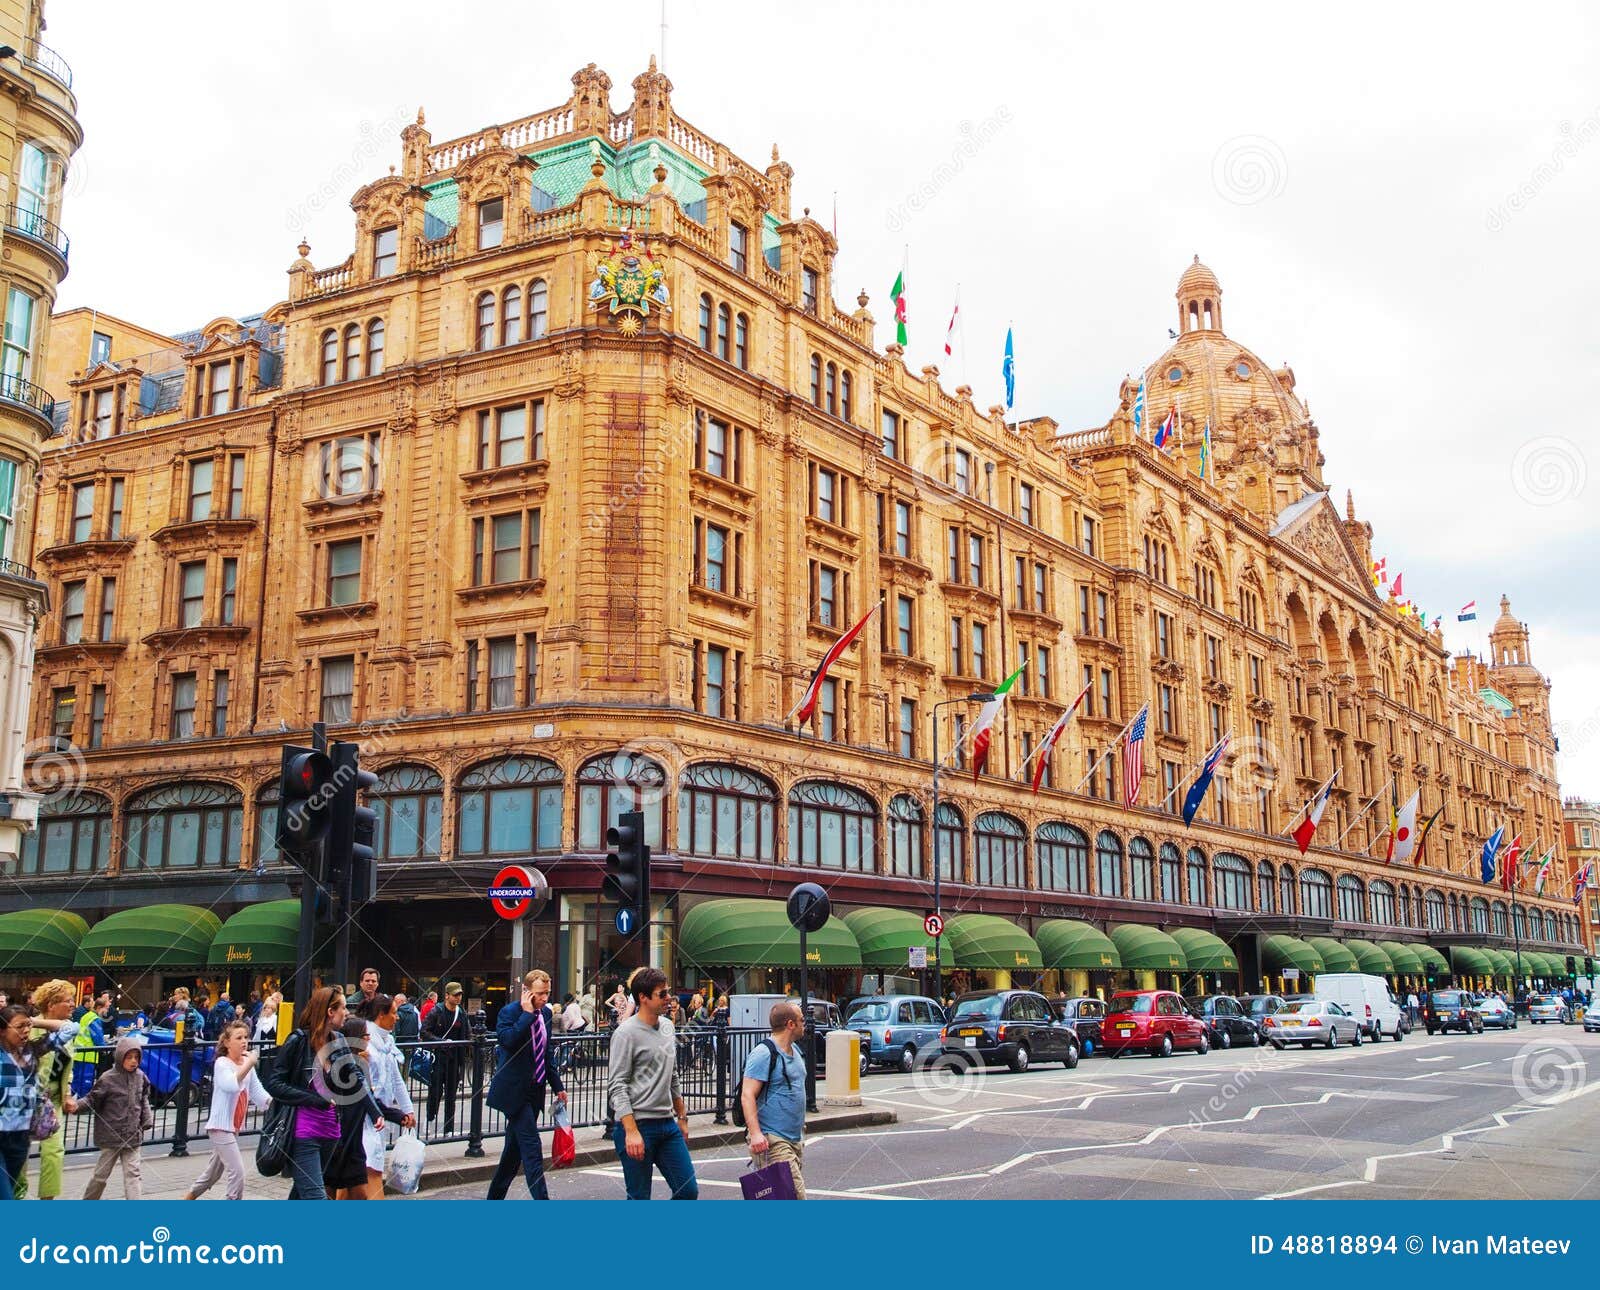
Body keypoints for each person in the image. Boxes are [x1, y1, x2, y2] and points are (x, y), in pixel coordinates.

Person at [606, 967, 696, 1200]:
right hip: (638, 1124)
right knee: (639, 1197)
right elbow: (617, 1085)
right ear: (643, 997)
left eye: (668, 992)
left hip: (667, 1124)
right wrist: (631, 1131)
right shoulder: (625, 1033)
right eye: (662, 994)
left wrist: (682, 1117)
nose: (669, 998)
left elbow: (672, 1075)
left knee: (688, 1191)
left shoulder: (667, 1026)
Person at [486, 969, 567, 1200]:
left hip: (535, 1090)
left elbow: (546, 1053)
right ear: (526, 992)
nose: (544, 998)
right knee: (532, 1147)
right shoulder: (510, 1012)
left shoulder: (547, 1013)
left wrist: (558, 1086)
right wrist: (527, 1014)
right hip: (514, 1091)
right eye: (539, 993)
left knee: (512, 1154)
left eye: (547, 993)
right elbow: (507, 1040)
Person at [262, 986, 346, 1200]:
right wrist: (314, 1099)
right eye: (343, 1008)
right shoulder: (298, 1040)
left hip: (330, 1131)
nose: (346, 1013)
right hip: (303, 1131)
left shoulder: (338, 1041)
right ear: (330, 1012)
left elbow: (352, 1080)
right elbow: (274, 1083)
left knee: (302, 1194)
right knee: (316, 1198)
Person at [185, 1020, 270, 1200]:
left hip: (233, 1126)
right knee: (237, 1172)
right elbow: (231, 1085)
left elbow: (257, 1091)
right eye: (238, 1038)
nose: (244, 1041)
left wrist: (274, 1103)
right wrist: (250, 1063)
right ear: (226, 1042)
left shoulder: (246, 1063)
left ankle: (186, 1200)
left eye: (246, 1037)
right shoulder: (222, 1063)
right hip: (220, 1127)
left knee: (212, 1174)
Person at [13, 981, 82, 1200]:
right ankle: (16, 1197)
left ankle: (47, 1202)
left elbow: (68, 1066)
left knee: (54, 1152)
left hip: (53, 1100)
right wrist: (32, 1022)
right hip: (26, 1100)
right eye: (68, 1000)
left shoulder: (67, 1028)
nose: (73, 1004)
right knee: (19, 1154)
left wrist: (67, 1093)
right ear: (51, 1004)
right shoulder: (29, 1029)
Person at [741, 1002, 809, 1198]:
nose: (805, 1024)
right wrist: (755, 1134)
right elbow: (747, 1095)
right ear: (790, 1024)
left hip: (794, 1138)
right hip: (772, 1140)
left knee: (780, 1198)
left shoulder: (796, 1050)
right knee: (795, 1197)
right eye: (802, 1020)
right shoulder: (763, 1054)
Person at [326, 1018, 394, 1201]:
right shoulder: (348, 1065)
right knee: (334, 1192)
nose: (368, 1039)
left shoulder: (360, 1062)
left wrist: (395, 1115)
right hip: (342, 1138)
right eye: (365, 1035)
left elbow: (369, 1099)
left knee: (354, 1193)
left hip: (354, 1140)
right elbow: (364, 1096)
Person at [357, 994, 415, 1197]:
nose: (397, 1017)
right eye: (394, 1013)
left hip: (378, 1117)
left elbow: (396, 1079)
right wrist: (394, 1113)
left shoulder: (387, 1042)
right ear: (381, 1015)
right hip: (364, 1118)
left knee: (361, 1176)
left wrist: (408, 1109)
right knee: (371, 1170)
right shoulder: (365, 1042)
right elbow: (362, 1088)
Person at [81, 1035, 153, 1199]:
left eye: (136, 1057)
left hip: (132, 1135)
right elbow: (92, 1099)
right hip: (111, 1136)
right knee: (100, 1176)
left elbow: (143, 1099)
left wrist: (147, 1119)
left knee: (133, 1174)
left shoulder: (140, 1076)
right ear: (120, 1057)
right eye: (129, 1057)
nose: (133, 1061)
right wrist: (75, 1106)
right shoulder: (108, 1078)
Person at [422, 982, 470, 1133]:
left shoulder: (461, 1013)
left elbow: (467, 1033)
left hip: (454, 1060)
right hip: (438, 1058)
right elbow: (424, 1032)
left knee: (451, 1095)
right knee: (435, 1092)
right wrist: (441, 1042)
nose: (458, 997)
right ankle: (430, 1118)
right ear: (447, 995)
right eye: (455, 995)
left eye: (460, 994)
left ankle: (448, 1128)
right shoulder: (437, 1011)